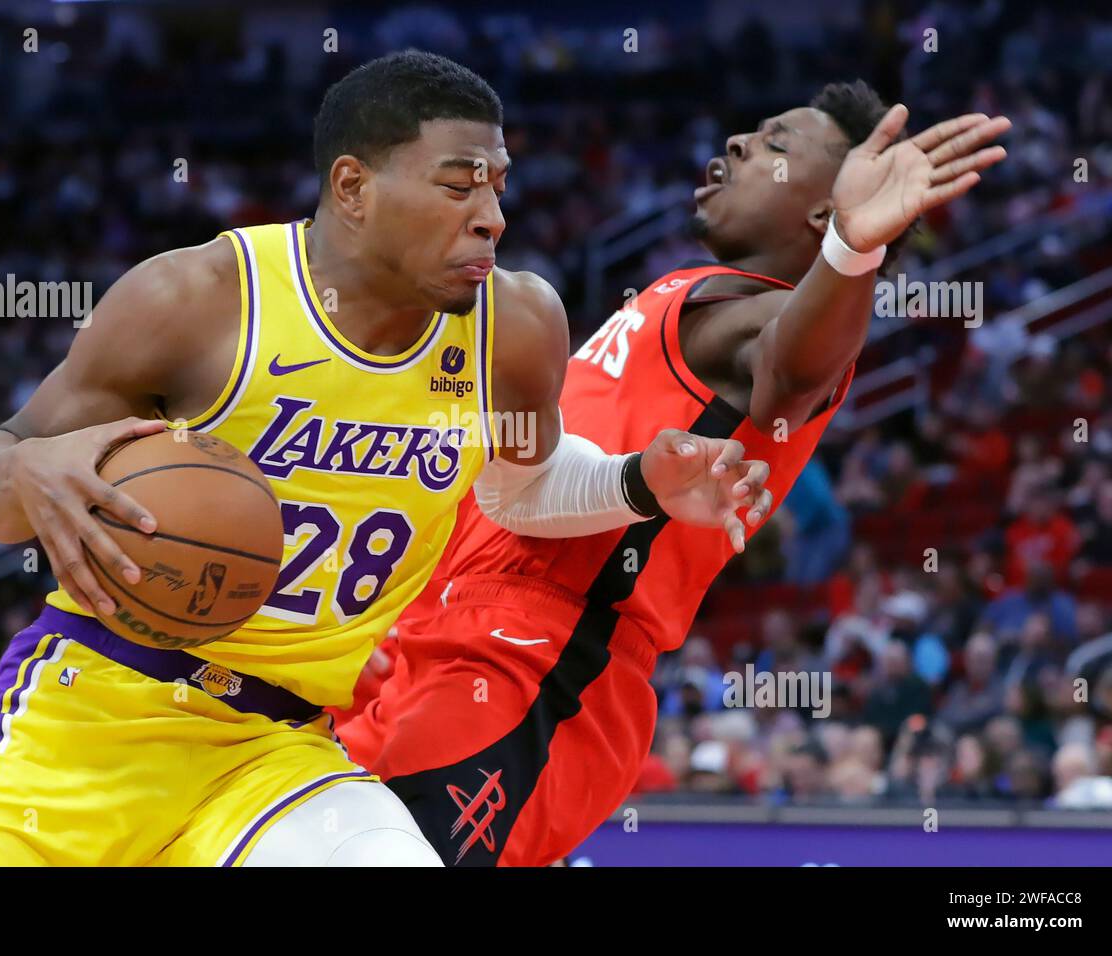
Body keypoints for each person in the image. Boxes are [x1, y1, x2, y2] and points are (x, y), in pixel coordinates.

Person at [0, 51, 769, 868]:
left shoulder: (517, 324)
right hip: (92, 717)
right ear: (353, 186)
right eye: (458, 187)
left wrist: (636, 483)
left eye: (499, 187)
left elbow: (519, 489)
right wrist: (30, 474)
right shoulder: (198, 300)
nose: (491, 217)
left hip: (273, 749)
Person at [337, 80, 1010, 866]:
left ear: (824, 213)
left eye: (777, 145)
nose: (738, 144)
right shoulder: (682, 294)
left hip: (545, 655)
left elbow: (794, 370)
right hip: (442, 623)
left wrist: (853, 251)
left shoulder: (770, 325)